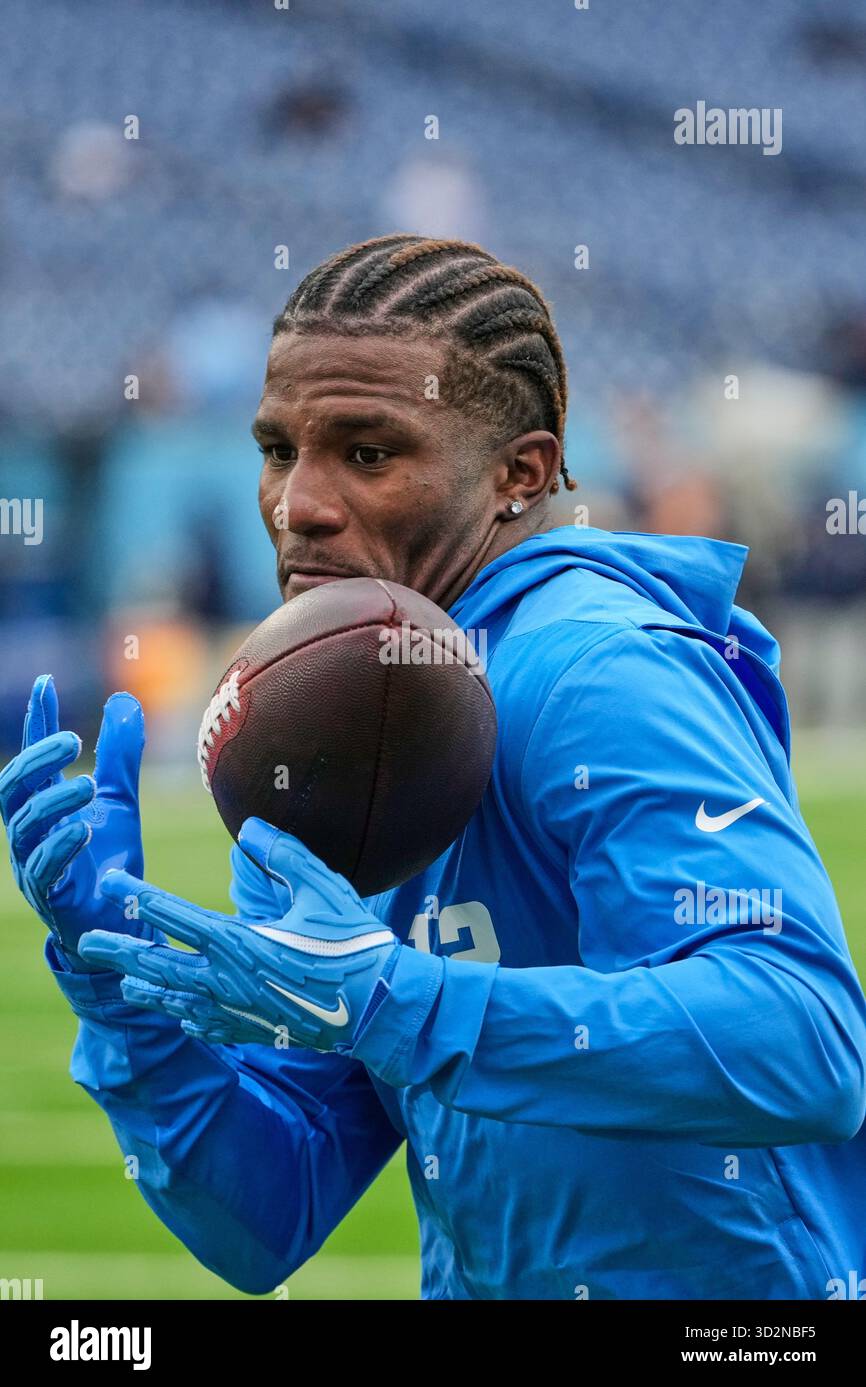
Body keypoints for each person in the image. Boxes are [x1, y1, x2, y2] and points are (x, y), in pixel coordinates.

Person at [2, 234, 865, 1301]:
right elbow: (269, 1212)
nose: (297, 503)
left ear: (521, 473)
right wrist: (124, 987)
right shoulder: (325, 735)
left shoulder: (592, 668)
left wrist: (394, 1001)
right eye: (278, 449)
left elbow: (803, 1042)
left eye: (366, 453)